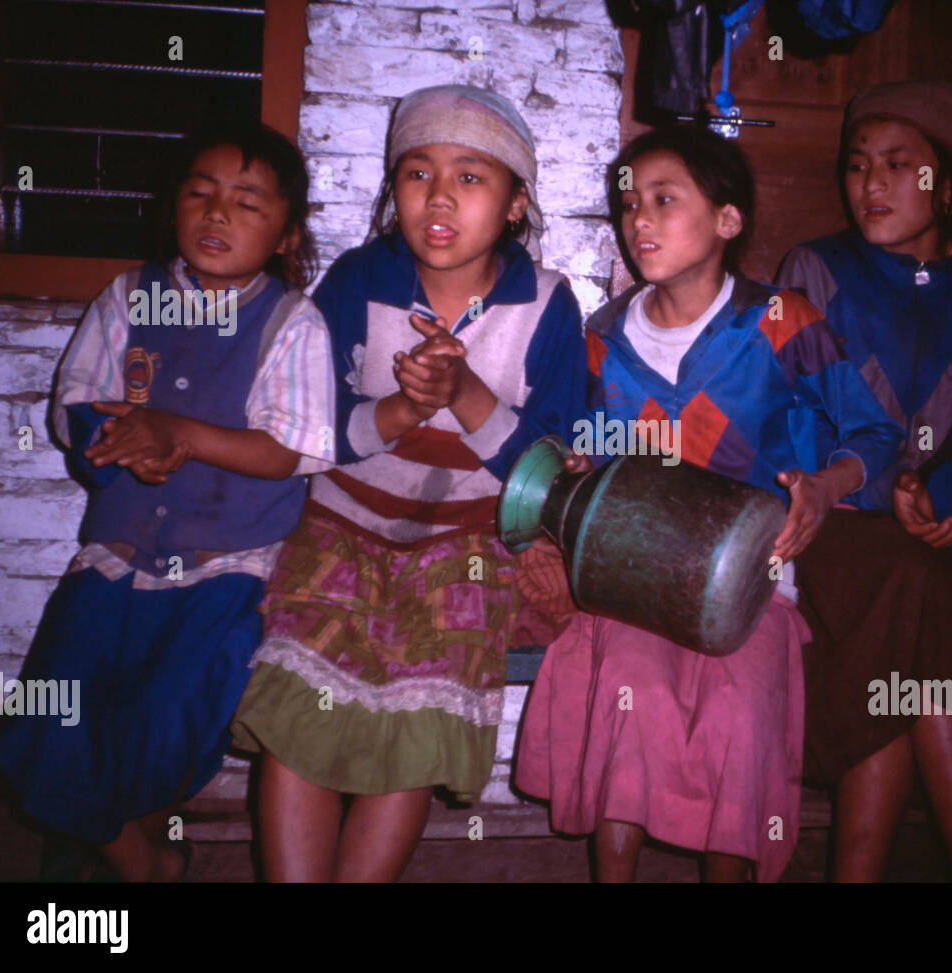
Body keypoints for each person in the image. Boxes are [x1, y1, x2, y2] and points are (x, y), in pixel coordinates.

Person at [514, 125, 902, 882]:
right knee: (632, 701)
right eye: (629, 205)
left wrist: (825, 487)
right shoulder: (604, 340)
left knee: (737, 717)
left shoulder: (778, 322)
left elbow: (877, 432)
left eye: (665, 199)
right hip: (629, 578)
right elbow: (575, 447)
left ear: (727, 220)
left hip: (755, 576)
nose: (640, 221)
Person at [230, 85, 587, 882]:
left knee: (412, 719)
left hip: (468, 542)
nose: (438, 196)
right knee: (301, 708)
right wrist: (397, 410)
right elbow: (309, 426)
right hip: (341, 523)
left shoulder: (547, 307)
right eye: (417, 172)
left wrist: (465, 397)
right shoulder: (360, 280)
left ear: (516, 204)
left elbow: (550, 467)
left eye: (471, 177)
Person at [0, 121, 336, 882]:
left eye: (246, 202)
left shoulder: (290, 321)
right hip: (115, 555)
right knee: (50, 717)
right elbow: (74, 402)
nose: (216, 214)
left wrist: (181, 433)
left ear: (284, 235)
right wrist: (116, 440)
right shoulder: (129, 296)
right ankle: (141, 860)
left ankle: (119, 846)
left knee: (164, 725)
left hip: (226, 568)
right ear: (173, 209)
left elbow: (289, 447)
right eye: (199, 194)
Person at [777, 80, 952, 881]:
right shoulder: (817, 271)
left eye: (900, 165)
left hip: (941, 546)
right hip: (831, 537)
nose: (871, 184)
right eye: (859, 164)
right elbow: (791, 425)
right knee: (922, 594)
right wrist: (882, 491)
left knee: (925, 596)